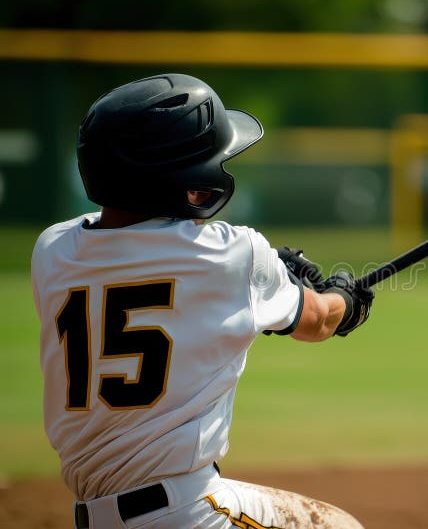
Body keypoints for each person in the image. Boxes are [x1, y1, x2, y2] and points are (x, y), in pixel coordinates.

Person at [31, 74, 374, 528]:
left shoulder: (52, 250)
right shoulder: (233, 252)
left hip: (93, 517)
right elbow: (319, 322)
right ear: (173, 178)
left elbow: (140, 261)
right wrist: (344, 296)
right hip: (186, 513)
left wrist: (270, 276)